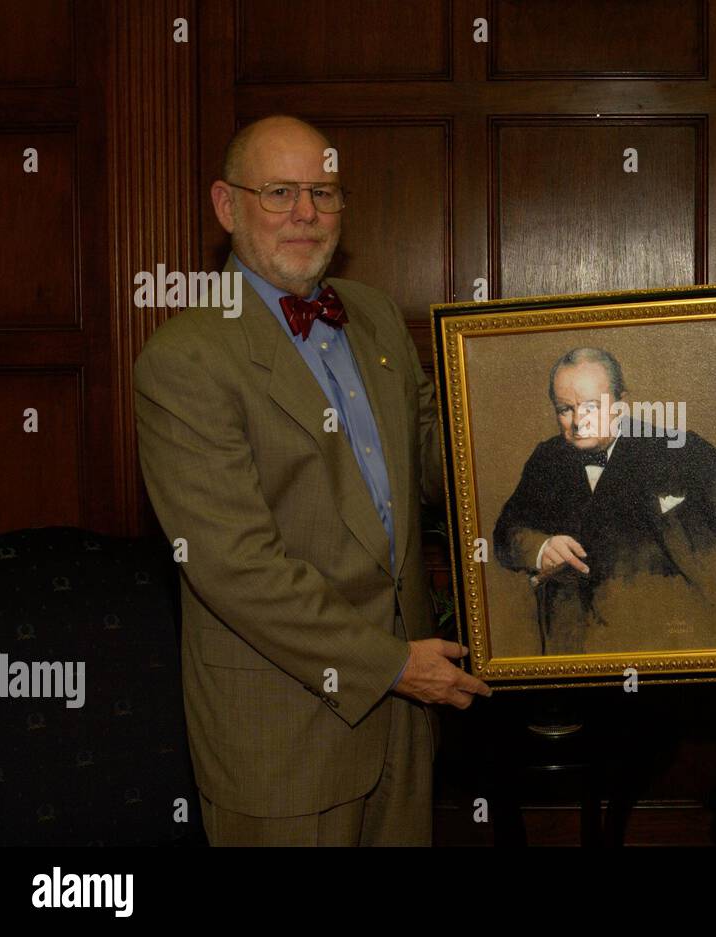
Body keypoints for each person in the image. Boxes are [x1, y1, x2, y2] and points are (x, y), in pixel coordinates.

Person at [134, 115, 490, 846]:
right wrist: (391, 665)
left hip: (407, 722)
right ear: (227, 206)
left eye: (324, 193)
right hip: (283, 738)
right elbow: (235, 567)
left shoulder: (376, 316)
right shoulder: (185, 359)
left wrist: (547, 423)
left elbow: (434, 465)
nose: (306, 213)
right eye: (280, 192)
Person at [493, 347, 716, 655]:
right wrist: (541, 547)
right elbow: (506, 531)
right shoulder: (547, 457)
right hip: (571, 650)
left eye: (591, 407)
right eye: (564, 409)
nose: (578, 422)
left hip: (666, 644)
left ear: (620, 405)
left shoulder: (681, 450)